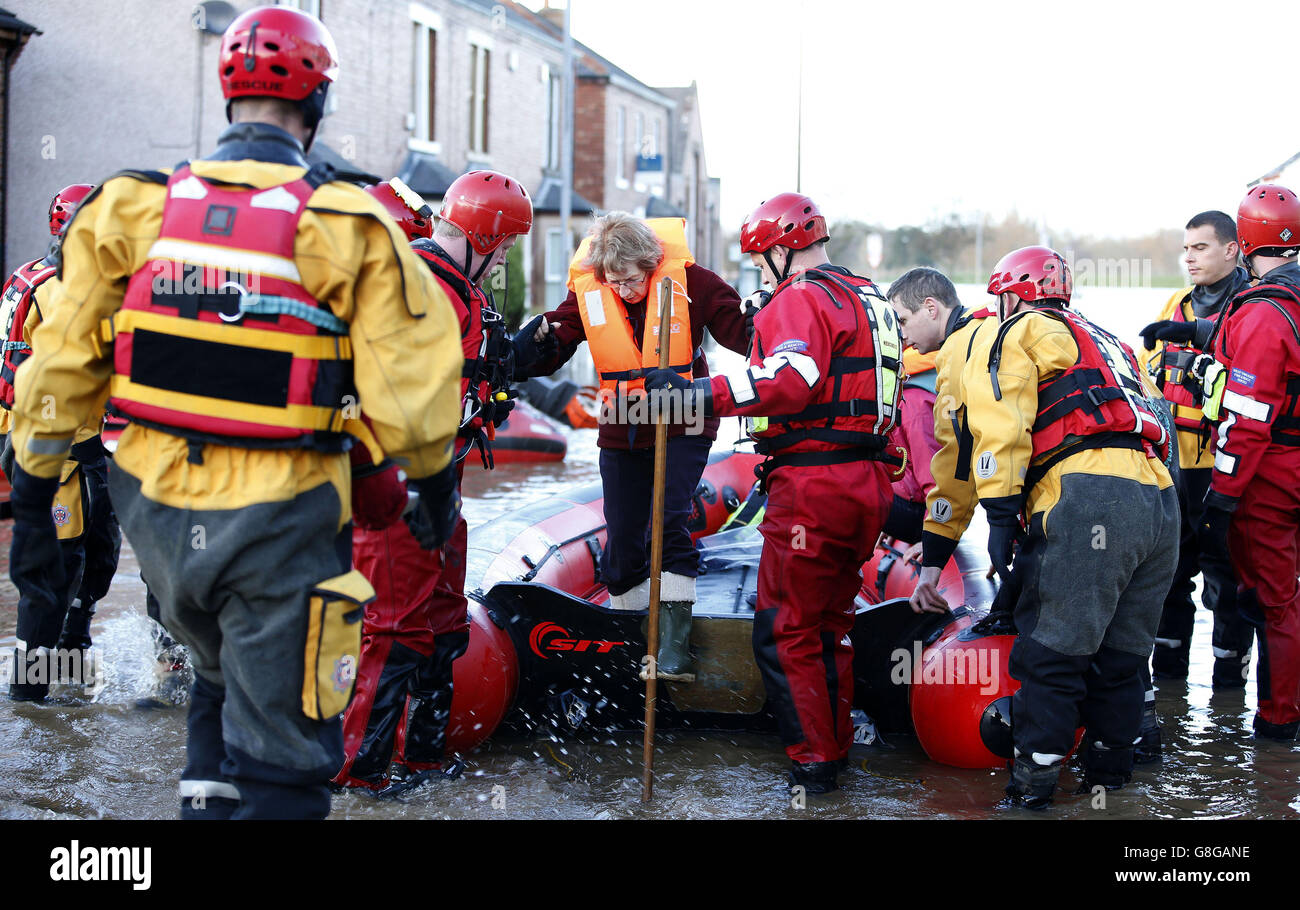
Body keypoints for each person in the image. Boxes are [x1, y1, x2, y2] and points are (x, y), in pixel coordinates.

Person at [7, 5, 464, 819]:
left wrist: (35, 493)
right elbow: (417, 381)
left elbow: (62, 359)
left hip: (157, 521)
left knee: (213, 685)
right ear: (317, 102)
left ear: (227, 95)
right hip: (279, 525)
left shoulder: (129, 210)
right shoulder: (347, 222)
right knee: (289, 756)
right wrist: (431, 487)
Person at [647, 192, 902, 793]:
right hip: (869, 483)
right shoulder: (869, 297)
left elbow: (789, 380)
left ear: (784, 251)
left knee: (785, 628)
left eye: (763, 262)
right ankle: (835, 755)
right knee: (831, 625)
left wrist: (696, 394)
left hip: (814, 483)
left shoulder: (801, 297)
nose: (762, 276)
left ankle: (813, 767)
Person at [958, 246, 1179, 808]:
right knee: (1123, 660)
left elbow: (999, 423)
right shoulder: (1112, 340)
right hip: (1159, 500)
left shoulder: (1011, 331)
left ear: (1010, 293)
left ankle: (1031, 794)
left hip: (1089, 496)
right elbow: (1163, 419)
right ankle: (1112, 788)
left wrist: (1002, 515)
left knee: (1053, 655)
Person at [334, 171, 531, 794]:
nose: (503, 262)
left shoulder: (459, 289)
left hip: (440, 482)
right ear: (486, 239)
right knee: (394, 628)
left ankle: (421, 755)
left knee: (444, 622)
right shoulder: (413, 286)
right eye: (503, 249)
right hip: (395, 487)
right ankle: (358, 776)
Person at [513, 212, 747, 681]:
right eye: (615, 282)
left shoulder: (694, 284)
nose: (624, 291)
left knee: (667, 518)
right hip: (623, 426)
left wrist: (774, 320)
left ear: (650, 262)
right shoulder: (592, 290)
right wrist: (526, 349)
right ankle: (639, 641)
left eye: (633, 280)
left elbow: (745, 335)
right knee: (621, 543)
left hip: (684, 421)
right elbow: (558, 339)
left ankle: (674, 649)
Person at [2, 184, 122, 696]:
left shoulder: (36, 275)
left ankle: (71, 667)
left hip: (76, 442)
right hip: (57, 447)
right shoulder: (57, 286)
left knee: (97, 554)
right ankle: (31, 698)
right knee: (55, 572)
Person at [1198, 184, 1300, 741]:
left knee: (1275, 603)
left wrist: (1223, 494)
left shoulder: (1264, 314)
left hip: (1273, 474)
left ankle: (1278, 723)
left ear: (1244, 240)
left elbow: (1248, 413)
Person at [1140, 211, 1253, 687]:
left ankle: (1230, 686)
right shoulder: (1176, 304)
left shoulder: (1253, 309)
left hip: (1226, 466)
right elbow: (1149, 379)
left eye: (1200, 248)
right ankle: (1168, 687)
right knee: (1168, 575)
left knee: (1227, 582)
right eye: (1186, 248)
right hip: (1173, 465)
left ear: (1232, 250)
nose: (1189, 257)